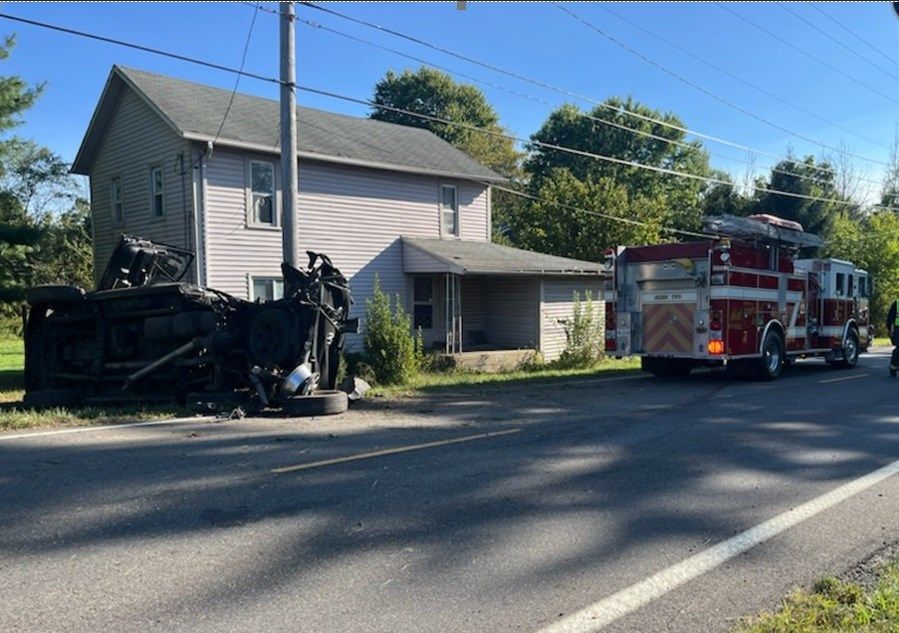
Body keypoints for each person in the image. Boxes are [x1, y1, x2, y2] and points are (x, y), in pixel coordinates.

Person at [889, 298, 899, 377]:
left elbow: (889, 318)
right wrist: (889, 329)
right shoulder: (897, 303)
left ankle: (894, 366)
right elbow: (890, 317)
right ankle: (893, 366)